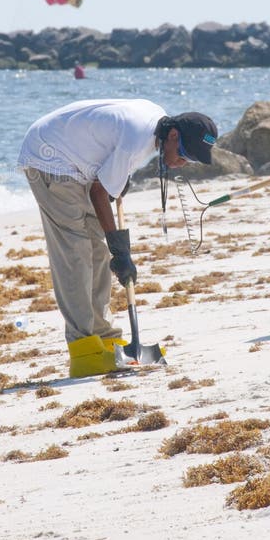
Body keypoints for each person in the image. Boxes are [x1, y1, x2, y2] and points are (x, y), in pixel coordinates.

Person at [18, 99, 218, 378]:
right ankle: (83, 348)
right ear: (173, 136)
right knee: (75, 252)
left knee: (97, 252)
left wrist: (120, 180)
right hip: (49, 158)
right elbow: (99, 193)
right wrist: (120, 249)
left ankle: (105, 336)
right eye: (184, 154)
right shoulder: (137, 137)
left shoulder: (156, 127)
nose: (182, 163)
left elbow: (107, 171)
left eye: (192, 160)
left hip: (77, 164)